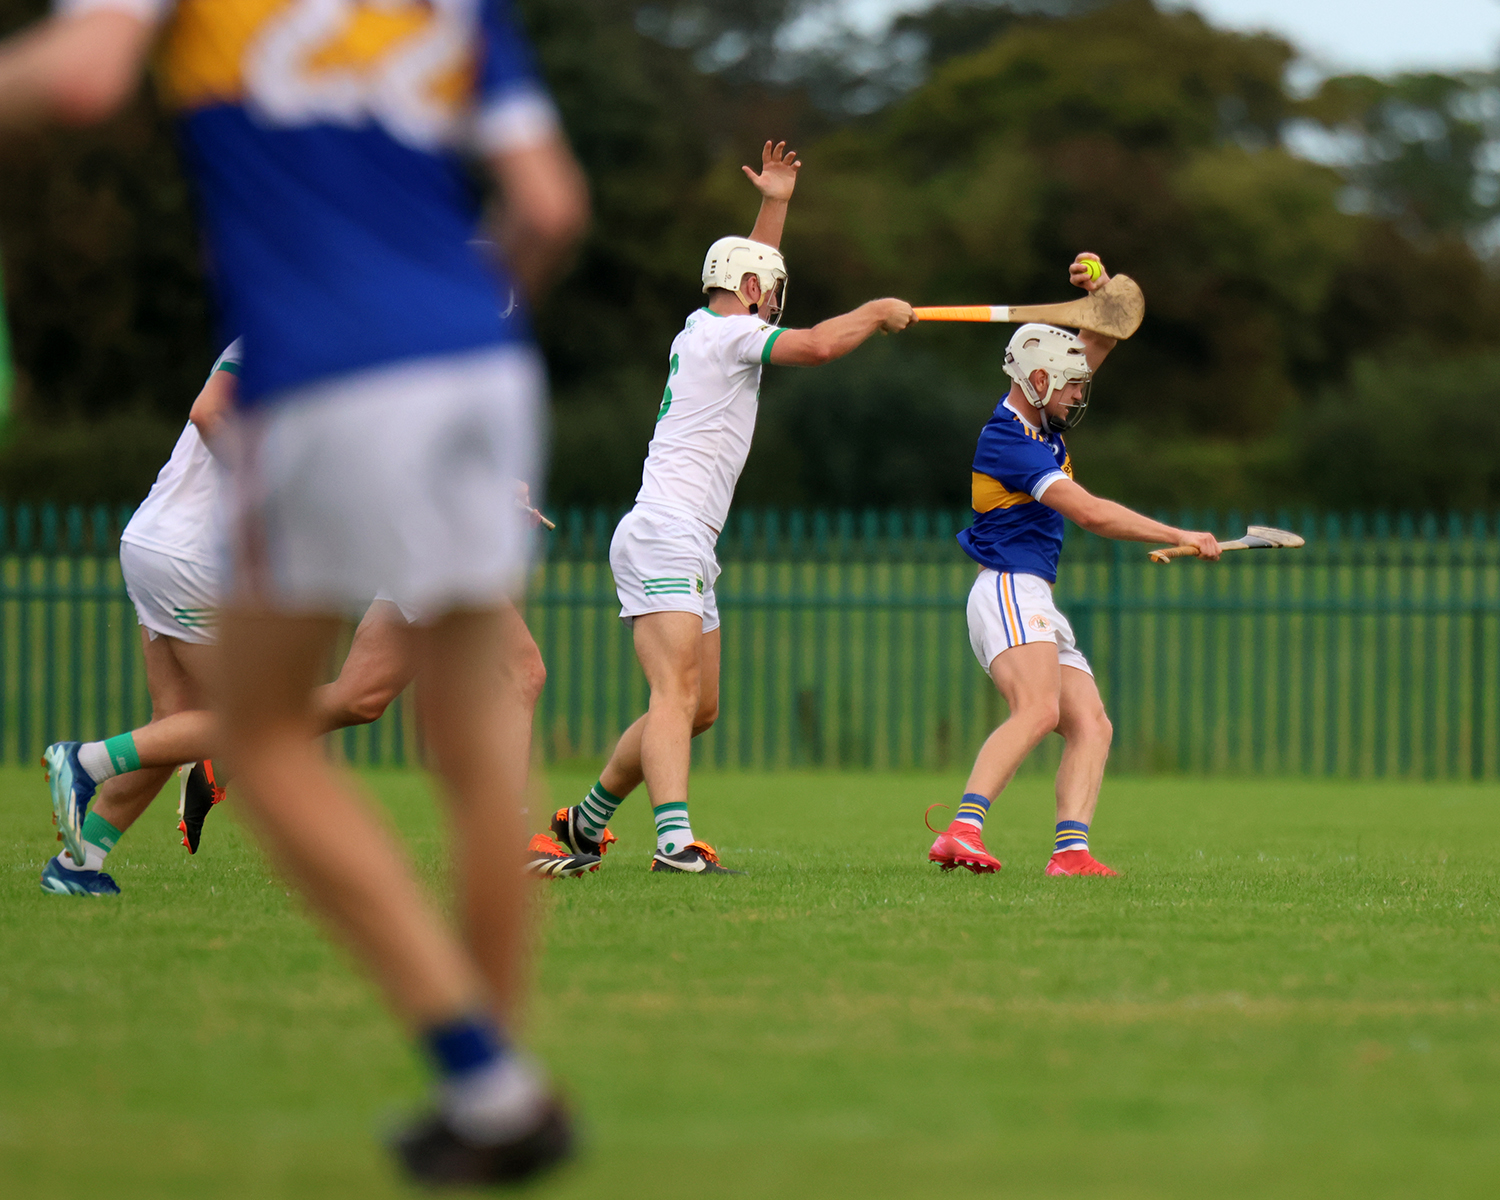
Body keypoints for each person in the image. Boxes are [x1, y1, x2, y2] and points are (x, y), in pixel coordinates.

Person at [0, 0, 589, 1187]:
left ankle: (483, 1074)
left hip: (327, 370)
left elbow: (81, 77)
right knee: (480, 731)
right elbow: (549, 209)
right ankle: (499, 1086)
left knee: (269, 737)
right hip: (480, 376)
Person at [40, 344, 587, 895]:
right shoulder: (321, 334)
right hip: (198, 553)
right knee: (264, 724)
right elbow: (211, 413)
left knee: (180, 720)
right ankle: (86, 762)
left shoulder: (311, 329)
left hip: (156, 540)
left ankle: (78, 866)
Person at [548, 140, 917, 875]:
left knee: (696, 706)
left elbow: (753, 283)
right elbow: (812, 348)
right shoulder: (733, 334)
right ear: (751, 289)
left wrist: (774, 206)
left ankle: (580, 826)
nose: (777, 301)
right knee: (672, 694)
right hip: (664, 531)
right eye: (770, 288)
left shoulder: (706, 326)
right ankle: (674, 844)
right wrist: (873, 313)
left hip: (682, 536)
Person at [926, 254, 1221, 879]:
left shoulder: (1042, 424)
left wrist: (1103, 291)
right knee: (1037, 710)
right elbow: (1088, 513)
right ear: (1036, 379)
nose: (1080, 392)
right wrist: (1178, 532)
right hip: (1006, 586)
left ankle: (1071, 852)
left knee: (1091, 723)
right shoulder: (1005, 441)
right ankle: (961, 830)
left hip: (1032, 592)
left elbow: (1101, 337)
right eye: (1070, 386)